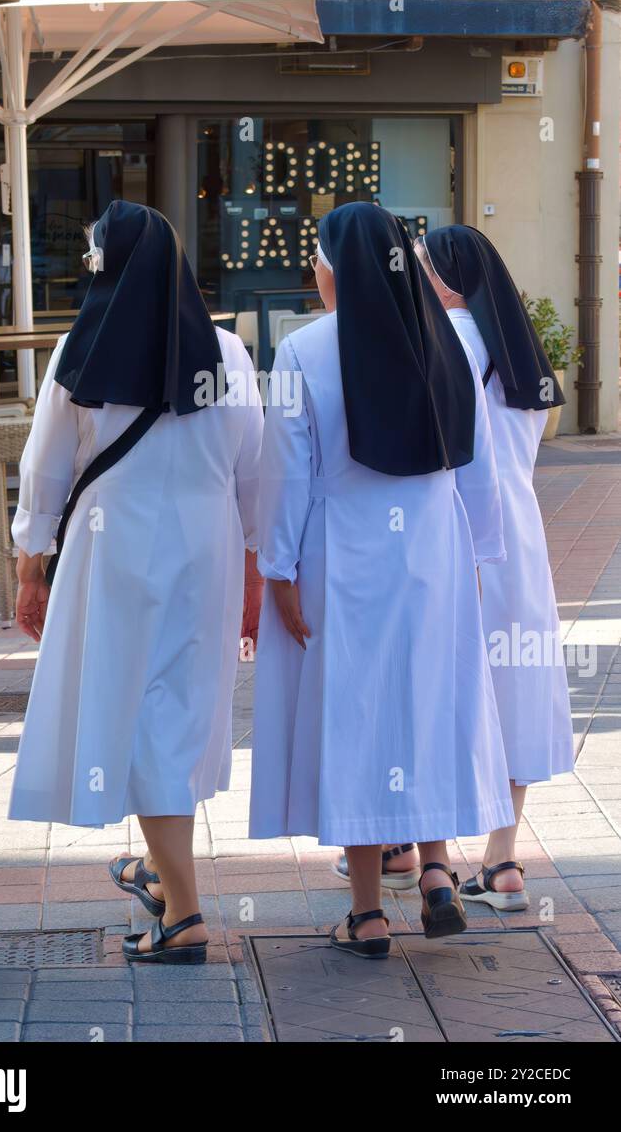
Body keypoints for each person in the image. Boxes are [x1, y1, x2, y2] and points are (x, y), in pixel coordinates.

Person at [249, 201, 513, 958]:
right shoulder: (448, 342)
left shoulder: (302, 349)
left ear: (337, 267)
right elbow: (478, 466)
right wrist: (480, 556)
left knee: (356, 715)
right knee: (427, 702)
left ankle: (367, 912)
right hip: (434, 550)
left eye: (320, 259)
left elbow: (286, 473)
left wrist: (278, 569)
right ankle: (435, 872)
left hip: (344, 557)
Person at [8, 200, 264, 965]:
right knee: (180, 708)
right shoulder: (228, 353)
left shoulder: (77, 351)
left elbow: (44, 470)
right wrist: (257, 568)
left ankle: (183, 914)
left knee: (140, 710)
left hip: (111, 547)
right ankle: (159, 872)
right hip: (208, 549)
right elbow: (257, 471)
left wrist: (30, 564)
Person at [415, 224, 573, 912]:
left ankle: (433, 860)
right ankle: (504, 861)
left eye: (421, 267)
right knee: (515, 689)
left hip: (455, 539)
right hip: (523, 539)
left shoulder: (437, 342)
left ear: (447, 280)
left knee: (441, 694)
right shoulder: (523, 355)